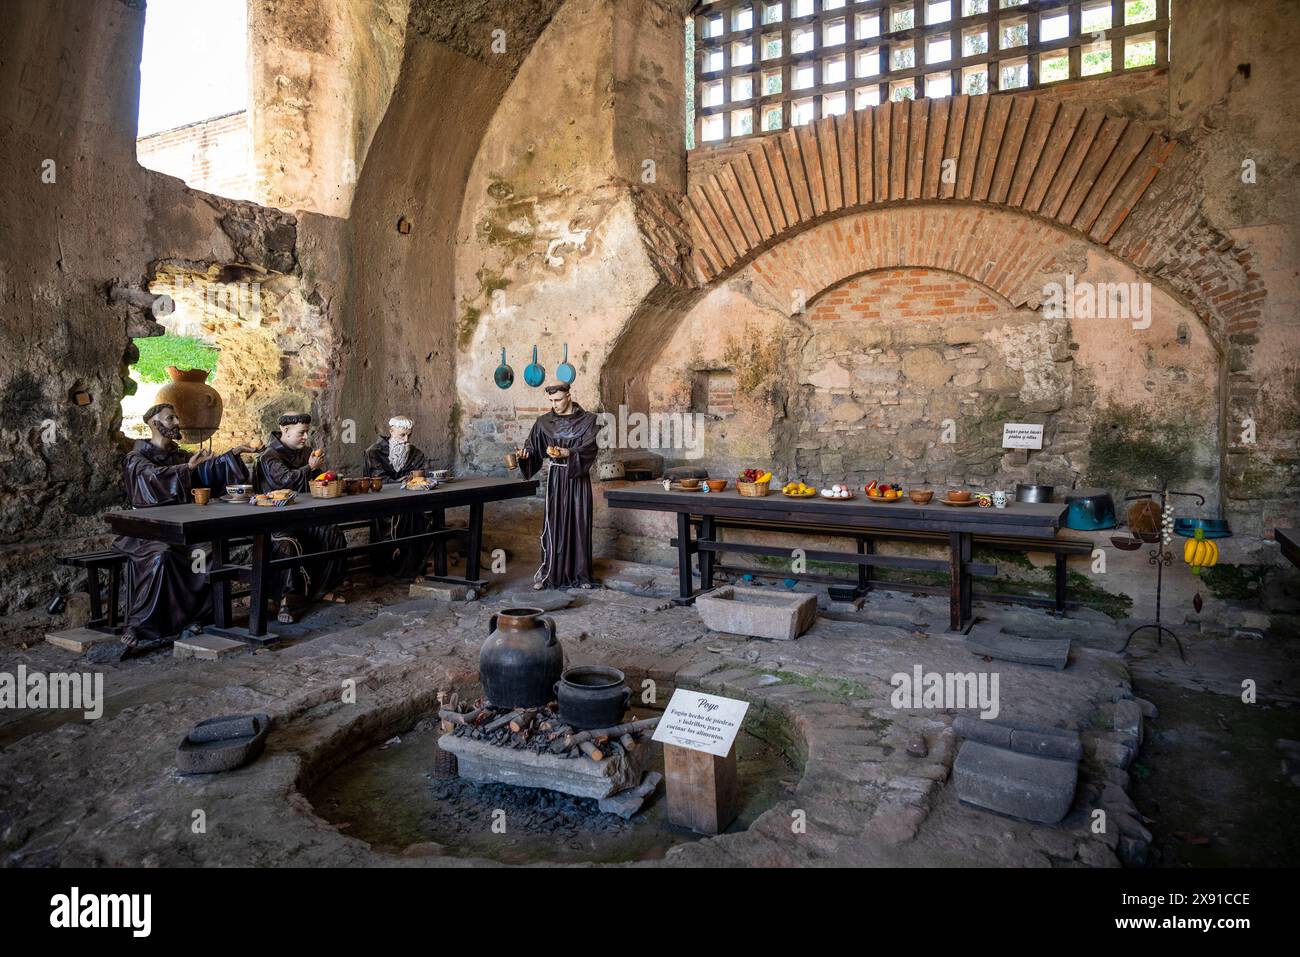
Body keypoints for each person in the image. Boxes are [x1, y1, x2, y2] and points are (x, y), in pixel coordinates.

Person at [93, 403, 255, 661]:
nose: (176, 421)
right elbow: (152, 479)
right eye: (170, 418)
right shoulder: (136, 458)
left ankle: (195, 619)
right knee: (163, 557)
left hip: (182, 530)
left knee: (207, 552)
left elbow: (202, 473)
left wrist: (231, 455)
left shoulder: (178, 456)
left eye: (176, 417)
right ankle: (140, 626)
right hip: (148, 532)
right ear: (153, 423)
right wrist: (186, 470)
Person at [255, 412, 347, 623]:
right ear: (285, 431)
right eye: (302, 433)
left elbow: (317, 479)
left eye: (307, 432)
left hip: (304, 516)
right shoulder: (270, 456)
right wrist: (310, 467)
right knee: (287, 545)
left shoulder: (305, 452)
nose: (306, 437)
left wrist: (329, 477)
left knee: (332, 533)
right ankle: (284, 600)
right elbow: (284, 483)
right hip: (277, 521)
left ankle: (321, 589)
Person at [513, 382, 599, 590]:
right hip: (556, 480)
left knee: (579, 523)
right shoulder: (544, 422)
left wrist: (568, 453)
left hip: (577, 480)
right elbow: (532, 448)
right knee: (554, 524)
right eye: (551, 401)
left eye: (558, 400)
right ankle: (550, 573)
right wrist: (524, 456)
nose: (555, 404)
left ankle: (581, 575)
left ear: (569, 396)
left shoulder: (588, 421)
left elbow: (590, 449)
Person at [363, 415, 432, 578]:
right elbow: (377, 481)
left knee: (418, 518)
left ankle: (412, 569)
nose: (406, 440)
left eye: (409, 435)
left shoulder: (416, 454)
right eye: (402, 435)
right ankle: (387, 570)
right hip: (383, 504)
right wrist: (403, 482)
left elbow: (418, 478)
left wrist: (413, 481)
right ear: (391, 431)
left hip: (410, 502)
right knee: (400, 517)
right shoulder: (374, 452)